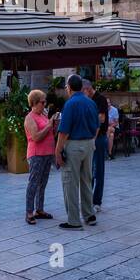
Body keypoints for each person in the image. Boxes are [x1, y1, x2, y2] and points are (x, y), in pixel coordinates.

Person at [54, 74, 98, 229]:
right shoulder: (90, 102)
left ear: (69, 87)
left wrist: (58, 151)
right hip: (89, 144)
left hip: (74, 145)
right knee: (86, 180)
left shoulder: (70, 104)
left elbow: (64, 131)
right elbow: (97, 126)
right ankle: (89, 215)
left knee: (70, 183)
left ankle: (73, 220)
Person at [23, 90, 58, 224]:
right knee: (33, 183)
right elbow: (36, 137)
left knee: (42, 183)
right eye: (43, 102)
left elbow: (50, 134)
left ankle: (39, 209)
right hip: (36, 154)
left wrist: (54, 125)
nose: (45, 104)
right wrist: (49, 125)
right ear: (34, 103)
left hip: (47, 153)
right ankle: (29, 212)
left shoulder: (43, 115)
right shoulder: (30, 118)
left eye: (45, 102)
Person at [85, 80, 111, 210]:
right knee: (88, 170)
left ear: (88, 89)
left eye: (83, 91)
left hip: (99, 138)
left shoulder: (100, 99)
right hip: (88, 138)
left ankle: (97, 201)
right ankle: (88, 199)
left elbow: (101, 118)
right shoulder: (86, 100)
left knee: (98, 170)